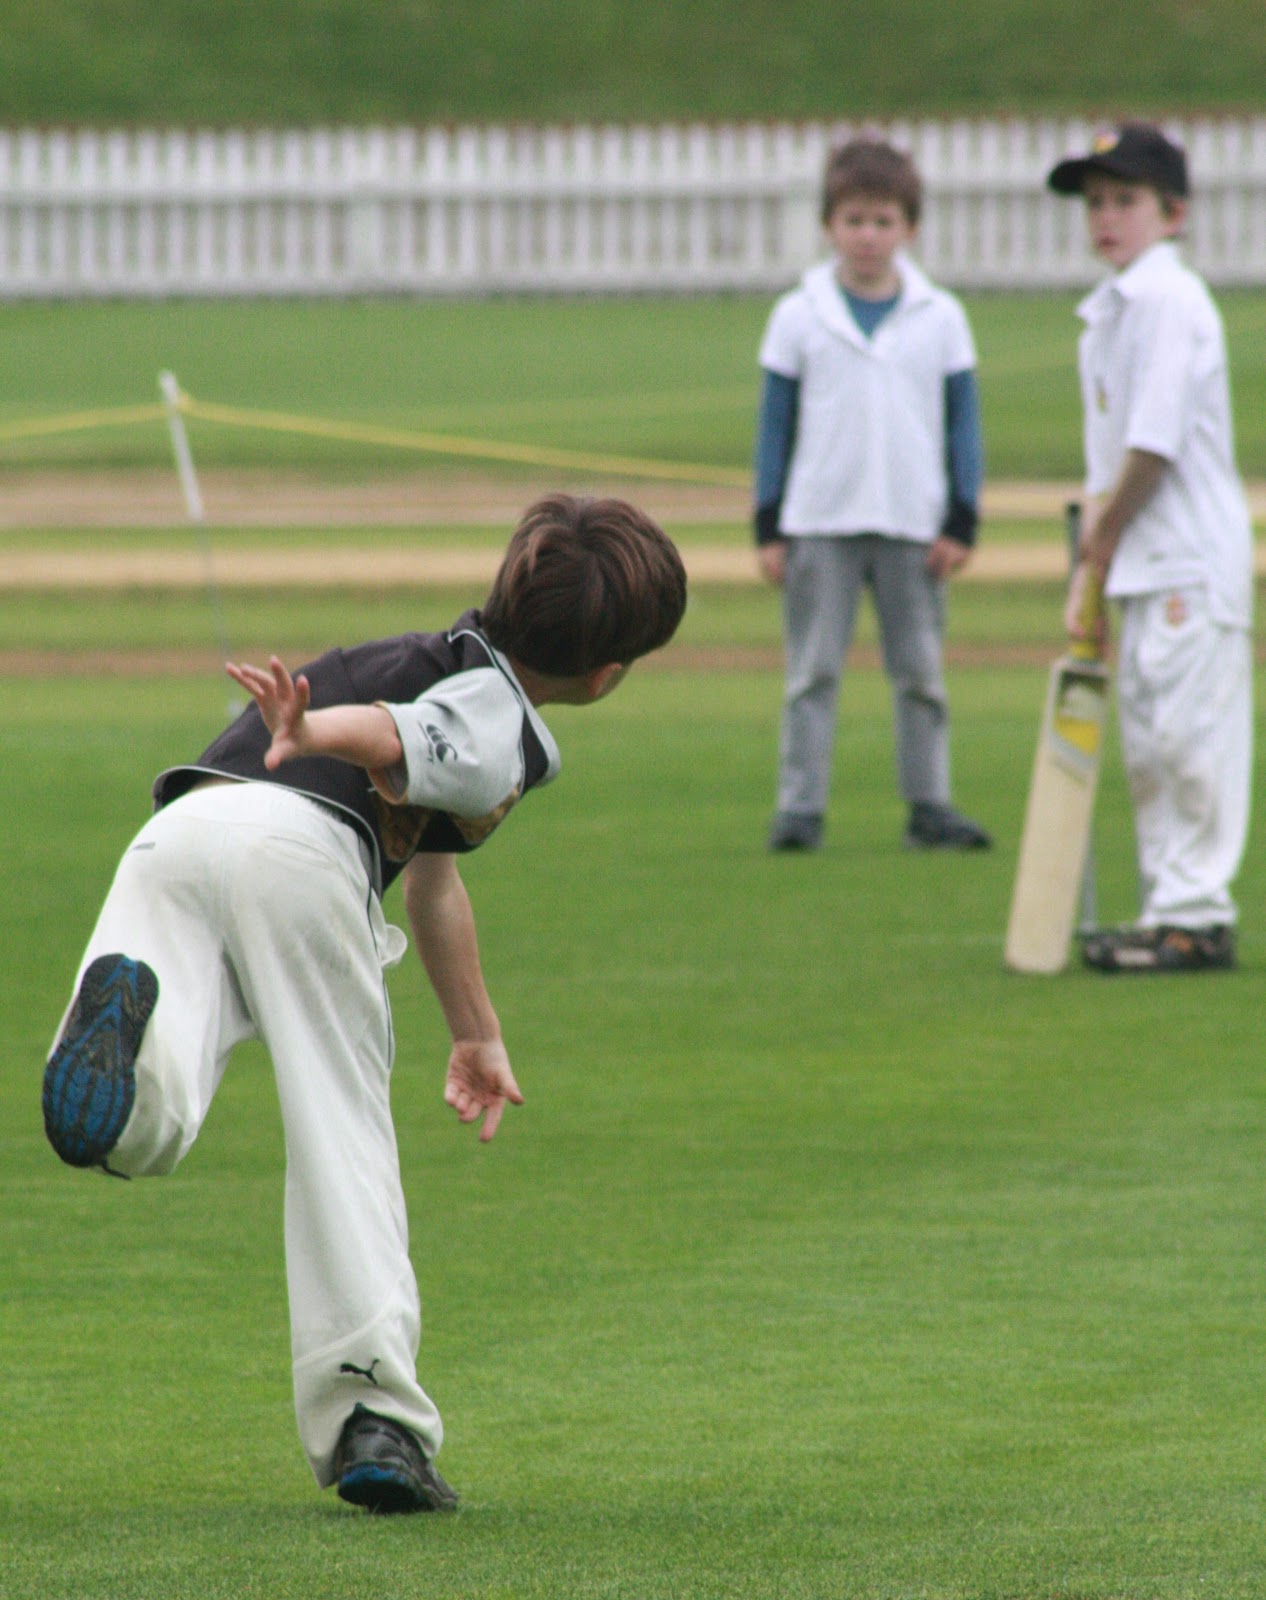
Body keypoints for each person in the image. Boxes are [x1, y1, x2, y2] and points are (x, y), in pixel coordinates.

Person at [41, 493, 688, 1511]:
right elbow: (393, 736)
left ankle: (119, 1067)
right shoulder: (492, 716)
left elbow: (432, 879)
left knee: (140, 1128)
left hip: (179, 835)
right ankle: (372, 1420)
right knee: (341, 1129)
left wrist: (476, 1030)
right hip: (301, 850)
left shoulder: (424, 654)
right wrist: (310, 731)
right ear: (608, 673)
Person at [1048, 123, 1253, 972]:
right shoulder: (1109, 313)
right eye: (1095, 202)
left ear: (1172, 213)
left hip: (1189, 559)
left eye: (1124, 200)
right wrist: (1092, 574)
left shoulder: (1170, 297)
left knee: (1189, 739)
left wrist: (1098, 544)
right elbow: (1110, 464)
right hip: (1140, 558)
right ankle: (1169, 910)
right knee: (1151, 745)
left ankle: (1197, 915)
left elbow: (1153, 445)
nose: (1106, 217)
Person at [753, 136, 991, 853]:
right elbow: (775, 425)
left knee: (920, 674)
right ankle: (800, 810)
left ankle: (929, 806)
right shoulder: (799, 314)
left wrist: (962, 519)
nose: (867, 236)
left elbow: (962, 424)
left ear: (909, 227)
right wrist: (768, 524)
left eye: (883, 221)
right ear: (829, 224)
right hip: (819, 520)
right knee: (812, 673)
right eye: (853, 220)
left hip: (913, 521)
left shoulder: (941, 315)